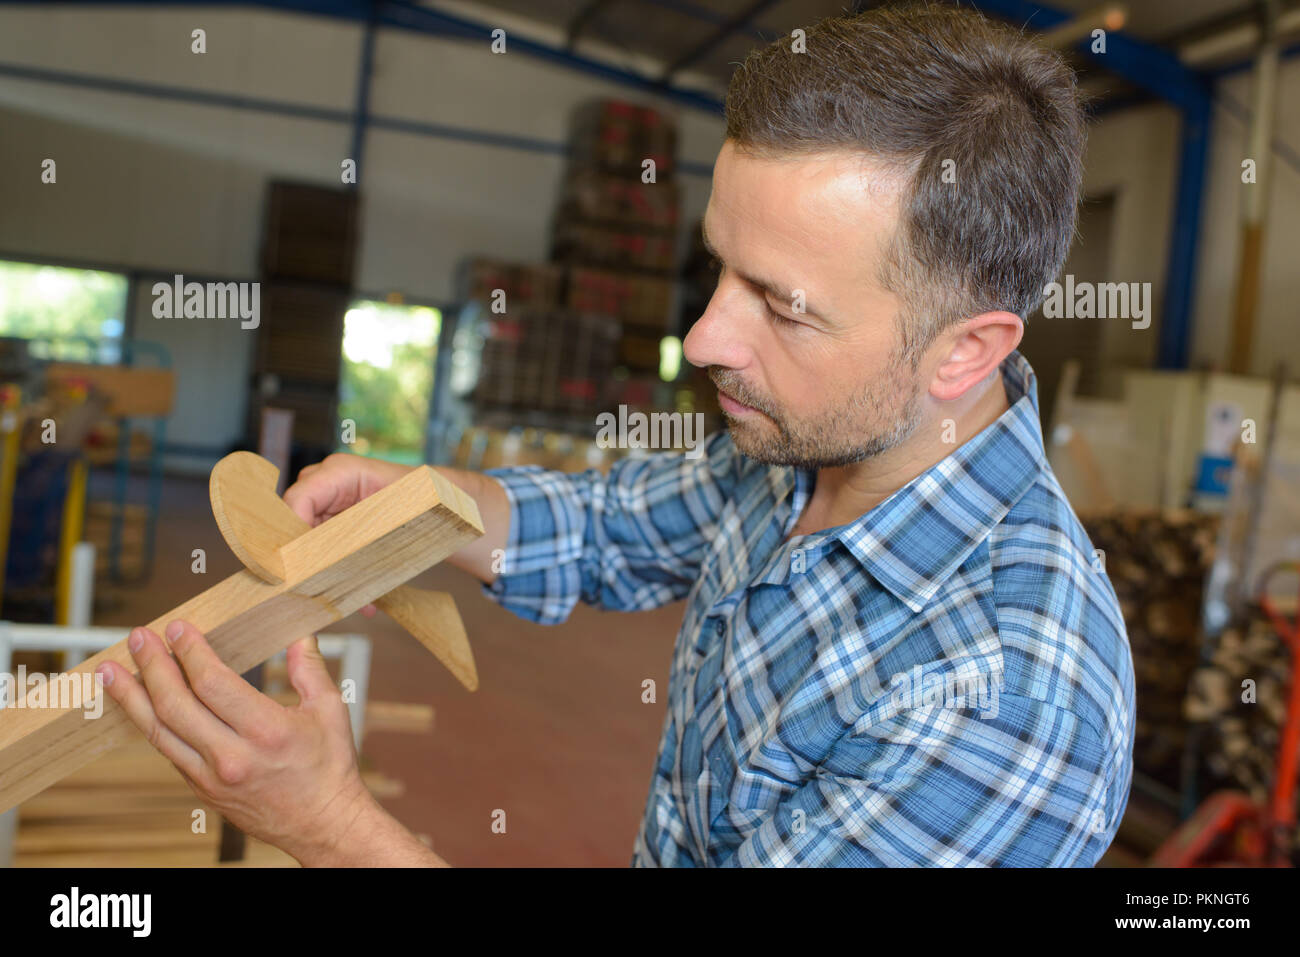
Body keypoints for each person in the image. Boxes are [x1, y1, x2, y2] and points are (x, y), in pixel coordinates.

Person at [100, 4, 1134, 867]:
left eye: (780, 304)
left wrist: (327, 826)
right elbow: (612, 522)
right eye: (717, 269)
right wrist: (423, 507)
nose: (701, 338)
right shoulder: (802, 452)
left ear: (963, 352)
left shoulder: (1001, 702)